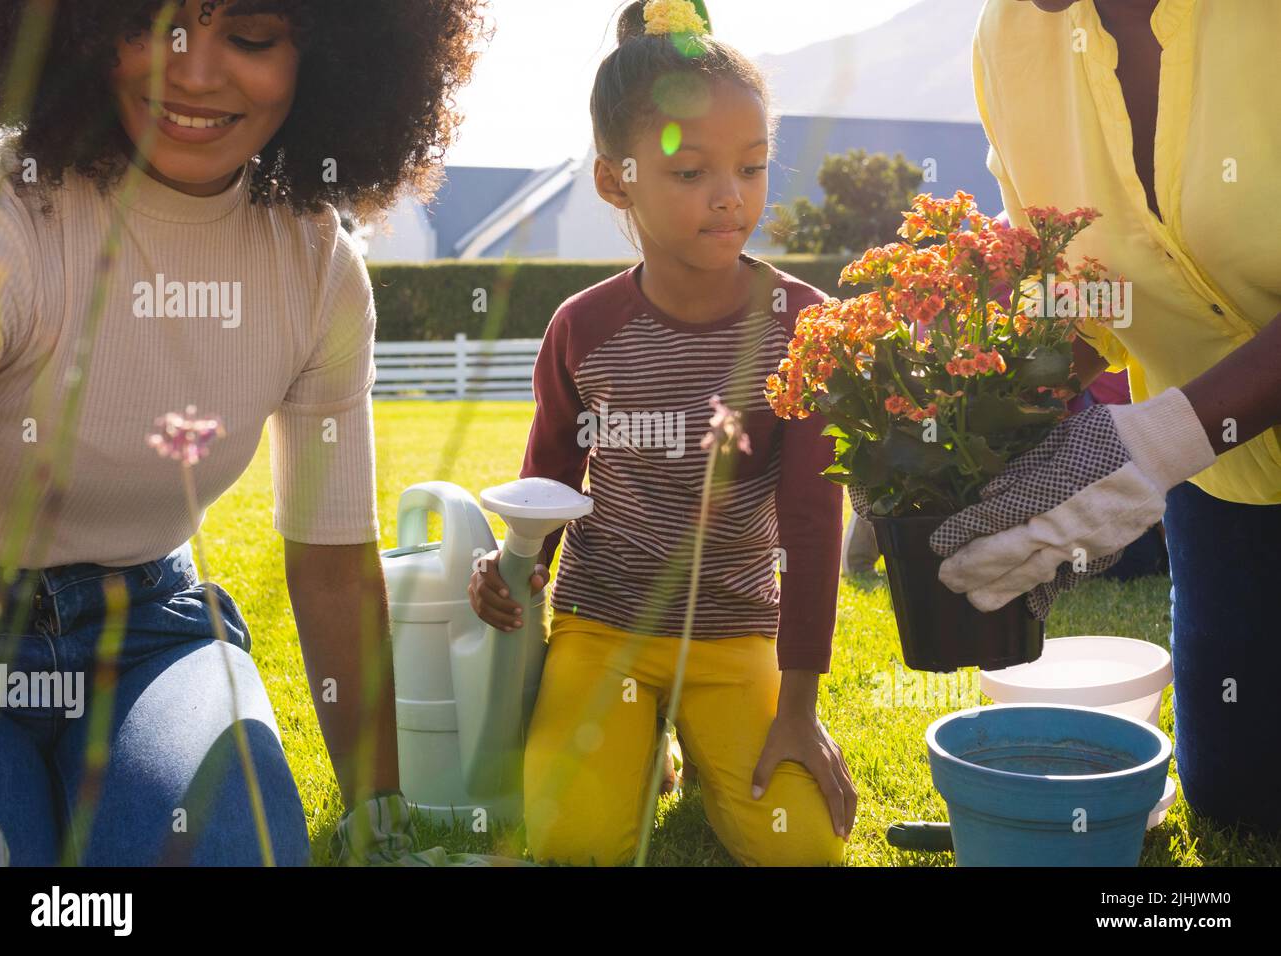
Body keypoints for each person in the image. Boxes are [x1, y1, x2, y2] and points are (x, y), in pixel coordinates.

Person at [0, 0, 484, 865]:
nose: (196, 72)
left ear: (324, 59)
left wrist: (379, 817)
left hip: (150, 629)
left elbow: (331, 561)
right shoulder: (8, 218)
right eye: (151, 21)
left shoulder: (319, 269)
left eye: (250, 37)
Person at [467, 0, 856, 866]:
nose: (731, 196)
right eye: (691, 174)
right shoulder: (581, 328)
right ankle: (641, 747)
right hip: (604, 627)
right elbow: (545, 488)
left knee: (804, 852)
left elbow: (811, 522)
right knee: (577, 844)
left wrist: (797, 708)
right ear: (617, 180)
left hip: (738, 630)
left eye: (752, 167)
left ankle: (693, 742)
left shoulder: (804, 326)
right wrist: (509, 570)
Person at [935, 0, 1281, 831]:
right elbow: (1084, 294)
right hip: (1227, 479)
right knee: (1241, 804)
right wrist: (981, 426)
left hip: (1187, 445)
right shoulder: (1009, 35)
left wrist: (1157, 443)